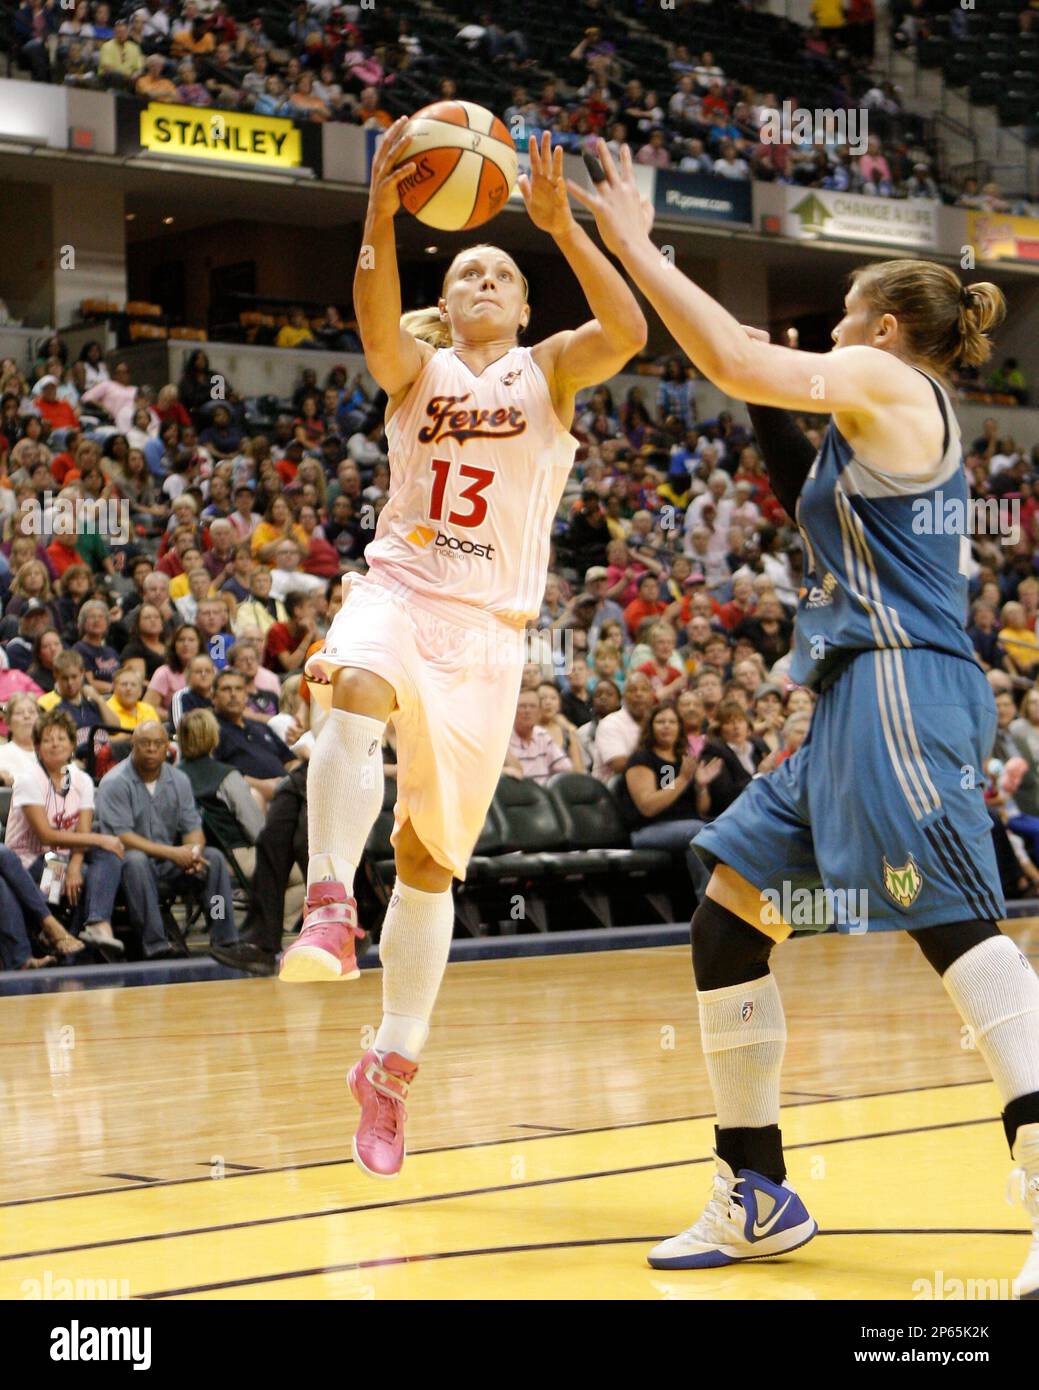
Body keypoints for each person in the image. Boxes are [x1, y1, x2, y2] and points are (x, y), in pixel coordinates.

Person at [572, 140, 1038, 1296]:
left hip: (903, 687)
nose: (829, 329)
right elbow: (764, 418)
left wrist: (635, 243)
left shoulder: (897, 387)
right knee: (728, 912)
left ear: (882, 330)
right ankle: (759, 1191)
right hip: (845, 704)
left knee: (955, 926)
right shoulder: (863, 423)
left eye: (840, 313)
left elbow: (735, 356)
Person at [233, 123, 646, 1185]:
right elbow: (373, 315)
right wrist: (377, 208)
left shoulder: (548, 371)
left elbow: (629, 332)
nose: (484, 278)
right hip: (399, 588)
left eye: (502, 273)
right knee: (352, 691)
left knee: (426, 864)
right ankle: (327, 902)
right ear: (448, 294)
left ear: (519, 304)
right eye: (468, 267)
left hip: (487, 637)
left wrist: (563, 226)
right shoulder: (410, 372)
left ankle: (391, 1063)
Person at [94, 720, 238, 960]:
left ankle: (225, 937)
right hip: (129, 864)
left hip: (169, 863)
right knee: (135, 860)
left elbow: (192, 828)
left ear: (167, 748)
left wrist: (193, 853)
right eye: (145, 743)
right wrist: (174, 853)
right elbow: (122, 838)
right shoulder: (114, 782)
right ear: (133, 745)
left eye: (158, 743)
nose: (151, 749)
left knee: (214, 859)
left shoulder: (179, 780)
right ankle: (156, 944)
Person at [4, 707, 125, 959]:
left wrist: (75, 864)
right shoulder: (28, 779)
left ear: (72, 744)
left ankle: (97, 925)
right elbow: (47, 836)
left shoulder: (82, 780)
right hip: (30, 859)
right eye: (47, 739)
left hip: (65, 857)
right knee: (92, 859)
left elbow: (81, 829)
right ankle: (67, 946)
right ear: (37, 747)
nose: (54, 744)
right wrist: (99, 839)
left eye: (61, 738)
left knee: (108, 857)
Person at [620, 702, 710, 890]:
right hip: (648, 829)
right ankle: (712, 907)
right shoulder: (641, 759)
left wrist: (701, 787)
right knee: (700, 831)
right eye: (661, 721)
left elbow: (700, 810)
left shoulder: (681, 760)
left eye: (672, 721)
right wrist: (683, 779)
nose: (667, 726)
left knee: (728, 828)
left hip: (686, 826)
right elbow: (648, 806)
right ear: (650, 727)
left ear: (679, 727)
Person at [503, 688, 573, 783]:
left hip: (544, 794)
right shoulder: (503, 738)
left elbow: (566, 769)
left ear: (539, 712)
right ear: (513, 710)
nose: (527, 711)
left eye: (532, 706)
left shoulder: (542, 735)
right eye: (522, 706)